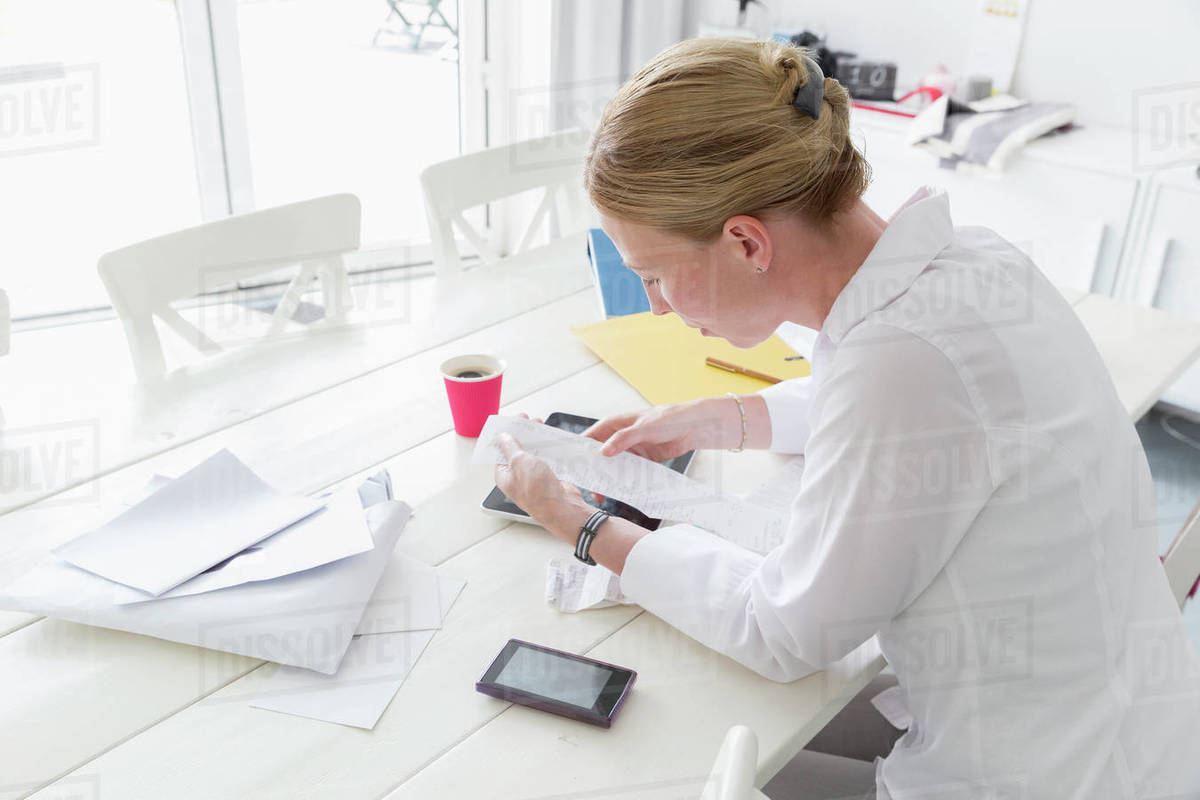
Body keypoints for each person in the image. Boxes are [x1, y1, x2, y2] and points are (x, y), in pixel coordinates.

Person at [492, 37, 1200, 799]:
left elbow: (783, 633)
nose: (657, 306)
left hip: (1043, 777)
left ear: (744, 240)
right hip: (1127, 728)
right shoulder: (971, 264)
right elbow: (908, 406)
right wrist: (722, 417)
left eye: (656, 276)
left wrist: (581, 524)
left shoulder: (900, 363)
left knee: (655, 768)